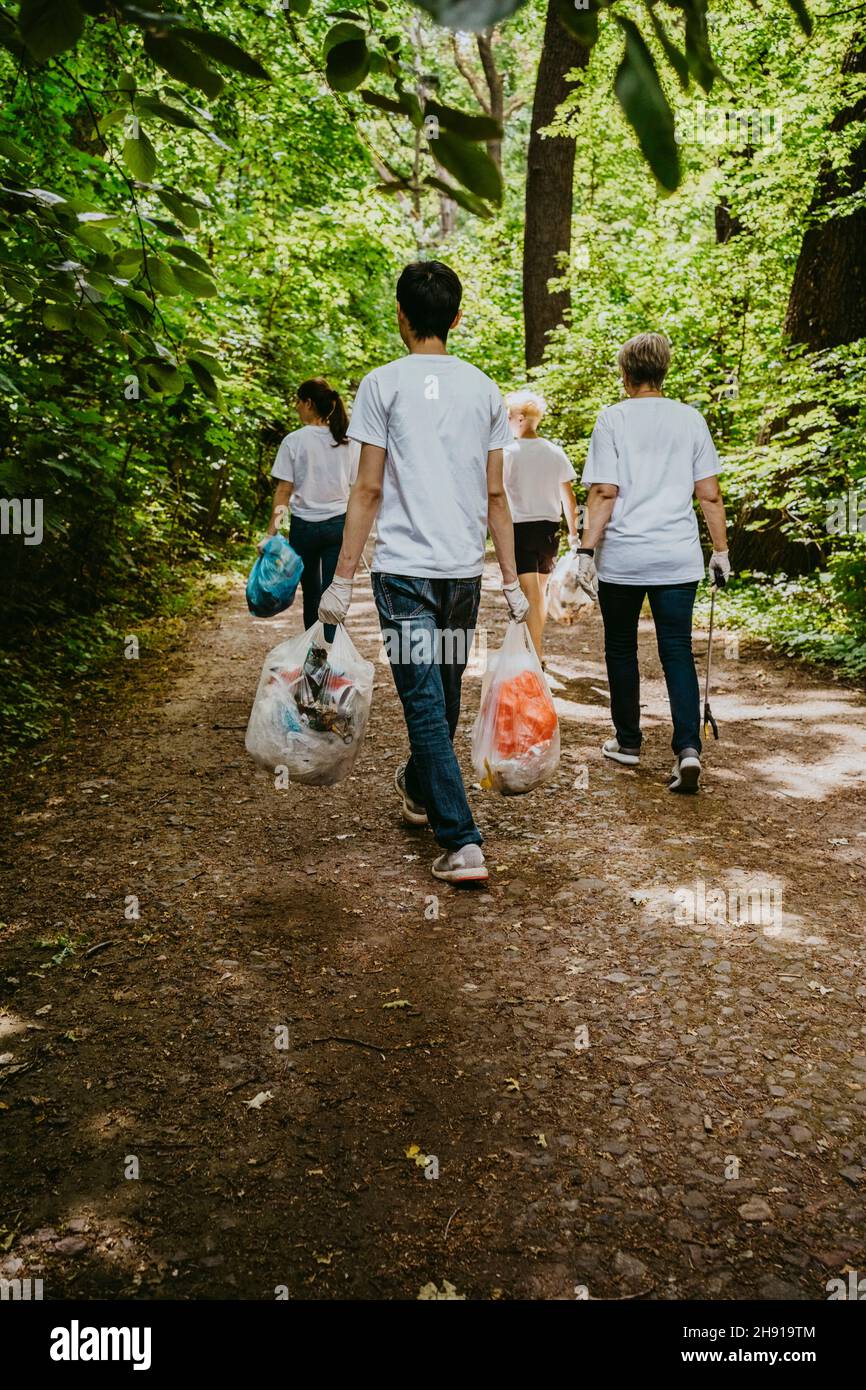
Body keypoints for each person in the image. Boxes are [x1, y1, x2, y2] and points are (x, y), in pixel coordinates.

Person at [317, 260, 529, 884]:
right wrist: (512, 582)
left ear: (401, 317)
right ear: (456, 319)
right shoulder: (485, 390)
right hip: (462, 573)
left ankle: (463, 841)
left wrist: (340, 579)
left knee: (428, 699)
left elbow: (367, 487)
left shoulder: (380, 385)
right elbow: (497, 497)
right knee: (440, 689)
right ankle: (418, 786)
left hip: (405, 572)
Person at [576, 332, 730, 794]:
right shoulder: (690, 419)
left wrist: (585, 550)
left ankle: (628, 742)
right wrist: (720, 550)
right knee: (676, 650)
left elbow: (604, 491)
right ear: (663, 371)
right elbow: (710, 493)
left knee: (621, 648)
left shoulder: (613, 419)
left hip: (624, 556)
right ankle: (687, 749)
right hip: (677, 557)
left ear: (626, 375)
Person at [261, 378, 360, 633]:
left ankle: (316, 660)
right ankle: (333, 658)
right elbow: (356, 485)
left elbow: (284, 491)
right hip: (338, 526)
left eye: (298, 401)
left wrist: (271, 534)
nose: (296, 406)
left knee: (312, 597)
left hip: (304, 529)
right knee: (332, 596)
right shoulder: (347, 441)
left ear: (308, 403)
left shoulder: (294, 441)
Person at [504, 389, 579, 659]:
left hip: (520, 529)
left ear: (521, 418)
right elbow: (568, 498)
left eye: (508, 416)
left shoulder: (509, 453)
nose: (507, 421)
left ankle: (535, 656)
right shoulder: (554, 452)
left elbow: (496, 495)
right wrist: (573, 535)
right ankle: (536, 649)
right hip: (549, 530)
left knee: (531, 594)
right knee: (540, 592)